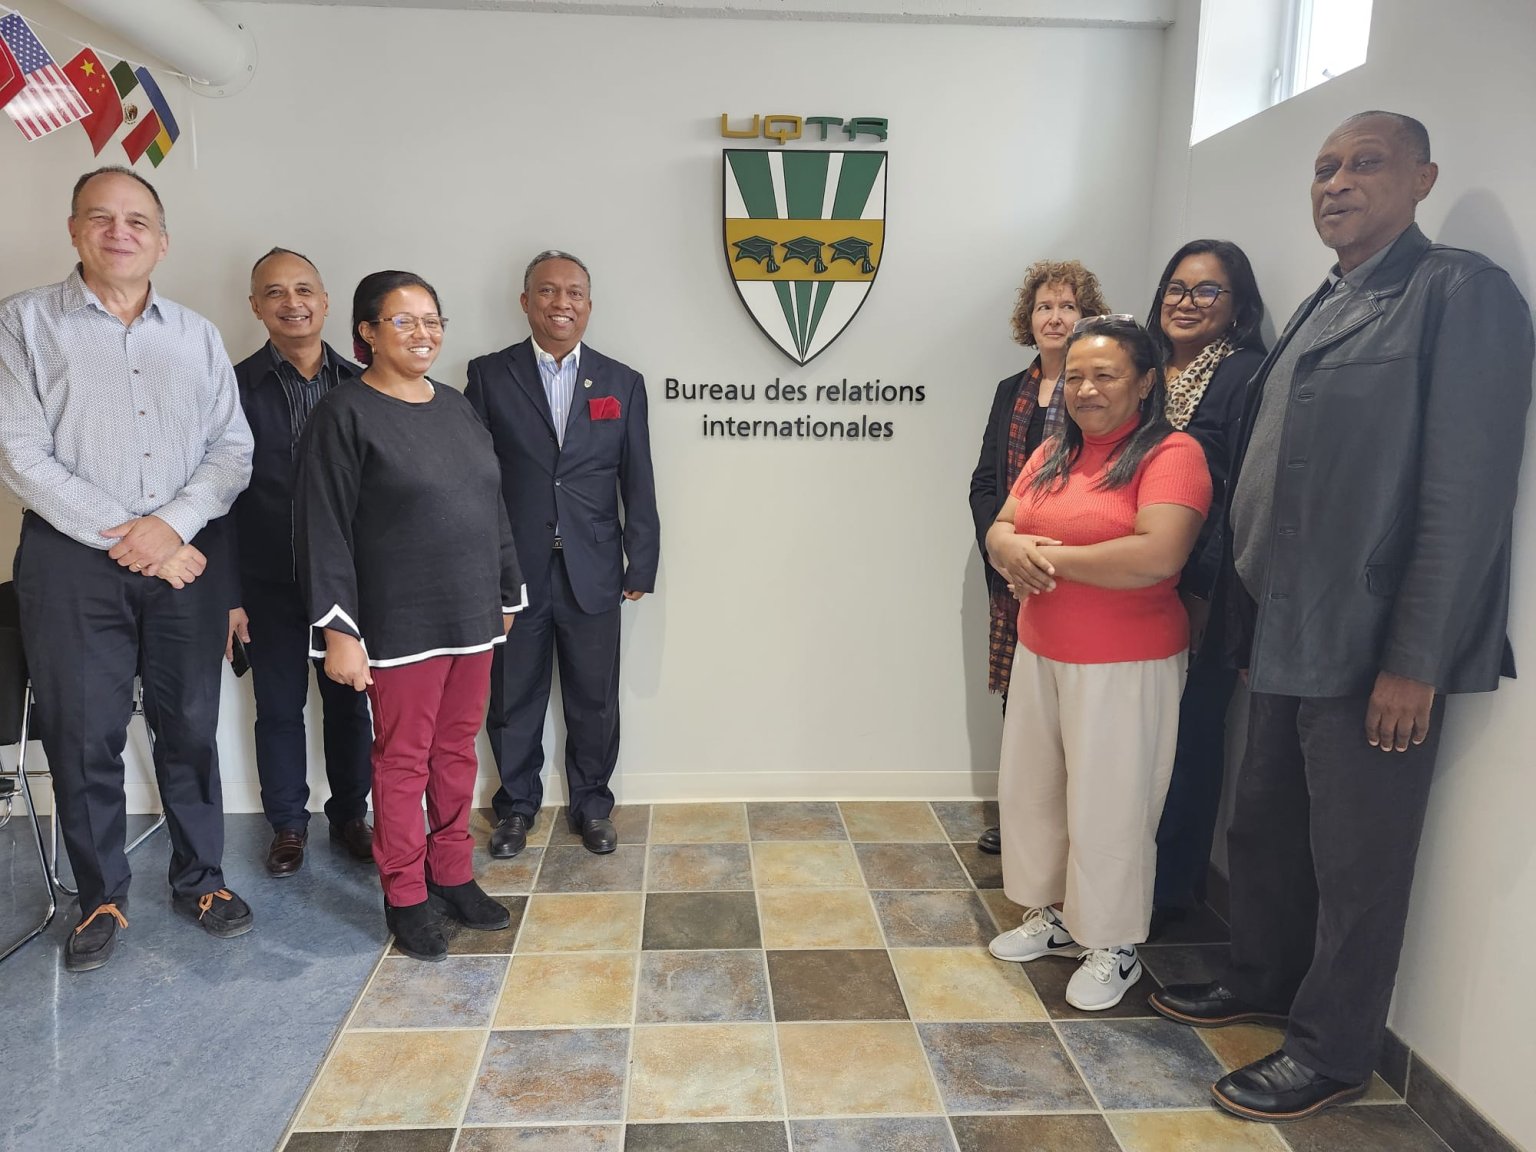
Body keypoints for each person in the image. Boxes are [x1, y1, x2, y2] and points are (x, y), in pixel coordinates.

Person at [1149, 112, 1533, 1122]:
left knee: (1359, 860)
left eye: (1366, 164)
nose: (1338, 183)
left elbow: (1466, 495)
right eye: (1325, 168)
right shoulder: (1326, 301)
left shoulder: (1457, 295)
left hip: (1371, 645)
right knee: (1265, 824)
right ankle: (1262, 977)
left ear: (1423, 177)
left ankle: (1332, 1049)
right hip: (1283, 625)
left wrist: (1416, 658)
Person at [0, 166, 255, 972]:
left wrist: (171, 528)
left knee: (187, 726)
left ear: (162, 240)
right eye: (102, 218)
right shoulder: (23, 324)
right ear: (74, 229)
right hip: (69, 565)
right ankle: (101, 893)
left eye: (138, 221)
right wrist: (135, 536)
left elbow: (232, 450)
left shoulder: (197, 335)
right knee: (85, 734)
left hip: (182, 562)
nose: (121, 232)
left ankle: (203, 878)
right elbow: (19, 454)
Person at [295, 270, 526, 962]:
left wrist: (507, 592)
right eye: (404, 321)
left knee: (457, 753)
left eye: (433, 320)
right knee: (403, 764)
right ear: (366, 333)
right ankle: (405, 895)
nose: (423, 333)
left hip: (472, 616)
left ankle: (451, 873)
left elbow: (492, 504)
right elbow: (322, 528)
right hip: (396, 629)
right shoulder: (344, 413)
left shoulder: (456, 407)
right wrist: (339, 629)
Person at [985, 316, 1211, 1011]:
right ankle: (1057, 916)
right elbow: (1000, 527)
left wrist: (1042, 556)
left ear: (1145, 383)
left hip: (1126, 664)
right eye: (1076, 375)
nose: (1085, 387)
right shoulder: (1053, 452)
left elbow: (1157, 555)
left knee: (1111, 805)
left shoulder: (1172, 454)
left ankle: (1112, 944)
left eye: (1104, 374)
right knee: (1040, 793)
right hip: (1043, 651)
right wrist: (1008, 546)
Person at [466, 251, 659, 858]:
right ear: (525, 302)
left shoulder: (621, 381)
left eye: (574, 293)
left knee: (595, 698)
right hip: (514, 571)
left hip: (595, 568)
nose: (561, 303)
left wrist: (642, 561)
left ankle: (593, 805)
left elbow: (638, 479)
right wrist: (483, 566)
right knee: (512, 694)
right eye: (548, 292)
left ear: (589, 305)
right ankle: (515, 808)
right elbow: (476, 480)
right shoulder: (489, 376)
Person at [222, 247, 374, 878]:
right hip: (267, 581)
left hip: (351, 582)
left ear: (326, 301)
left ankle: (348, 818)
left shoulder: (362, 383)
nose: (293, 303)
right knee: (279, 708)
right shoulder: (229, 386)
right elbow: (216, 498)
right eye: (276, 292)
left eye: (305, 289)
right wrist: (227, 594)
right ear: (256, 306)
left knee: (348, 704)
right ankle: (287, 825)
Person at [1143, 241, 1267, 927]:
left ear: (1238, 306)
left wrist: (1200, 596)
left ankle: (1168, 892)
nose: (1186, 301)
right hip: (1129, 588)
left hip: (1202, 594)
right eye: (1176, 287)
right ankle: (1122, 874)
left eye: (1206, 291)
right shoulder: (1142, 370)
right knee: (1135, 741)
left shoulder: (1246, 376)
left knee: (1187, 742)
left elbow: (1241, 497)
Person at [967, 260, 1108, 856]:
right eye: (1045, 307)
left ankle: (1072, 827)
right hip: (1012, 575)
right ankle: (1023, 819)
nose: (1056, 317)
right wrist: (1003, 552)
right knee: (1020, 703)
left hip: (1079, 575)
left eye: (1068, 306)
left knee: (1075, 710)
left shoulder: (1100, 391)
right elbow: (985, 482)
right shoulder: (1010, 391)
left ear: (1087, 316)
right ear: (1029, 318)